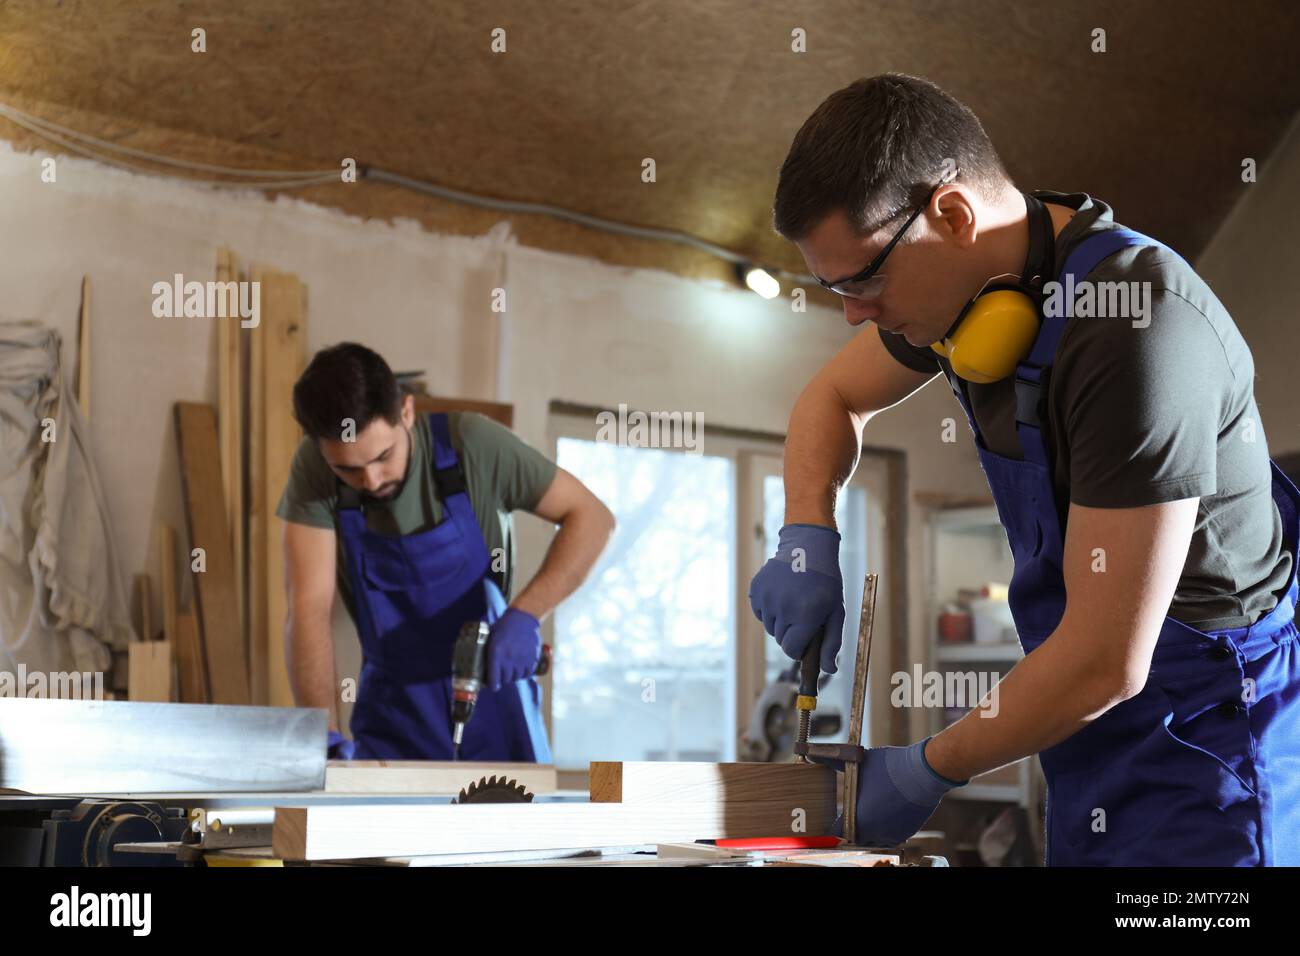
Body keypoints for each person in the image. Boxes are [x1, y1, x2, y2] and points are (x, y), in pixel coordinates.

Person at [749, 74, 1299, 865]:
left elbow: (1107, 661)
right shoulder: (973, 294)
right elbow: (831, 397)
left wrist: (925, 768)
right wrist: (808, 530)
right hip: (1086, 740)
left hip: (1208, 750)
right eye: (834, 287)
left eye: (864, 278)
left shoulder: (1133, 327)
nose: (853, 313)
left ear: (952, 213)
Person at [278, 343, 615, 761]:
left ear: (406, 411)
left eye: (384, 456)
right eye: (347, 469)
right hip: (395, 717)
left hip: (494, 699)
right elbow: (308, 609)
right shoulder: (313, 470)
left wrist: (526, 615)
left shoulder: (473, 444)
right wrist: (320, 733)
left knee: (516, 822)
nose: (370, 479)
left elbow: (592, 517)